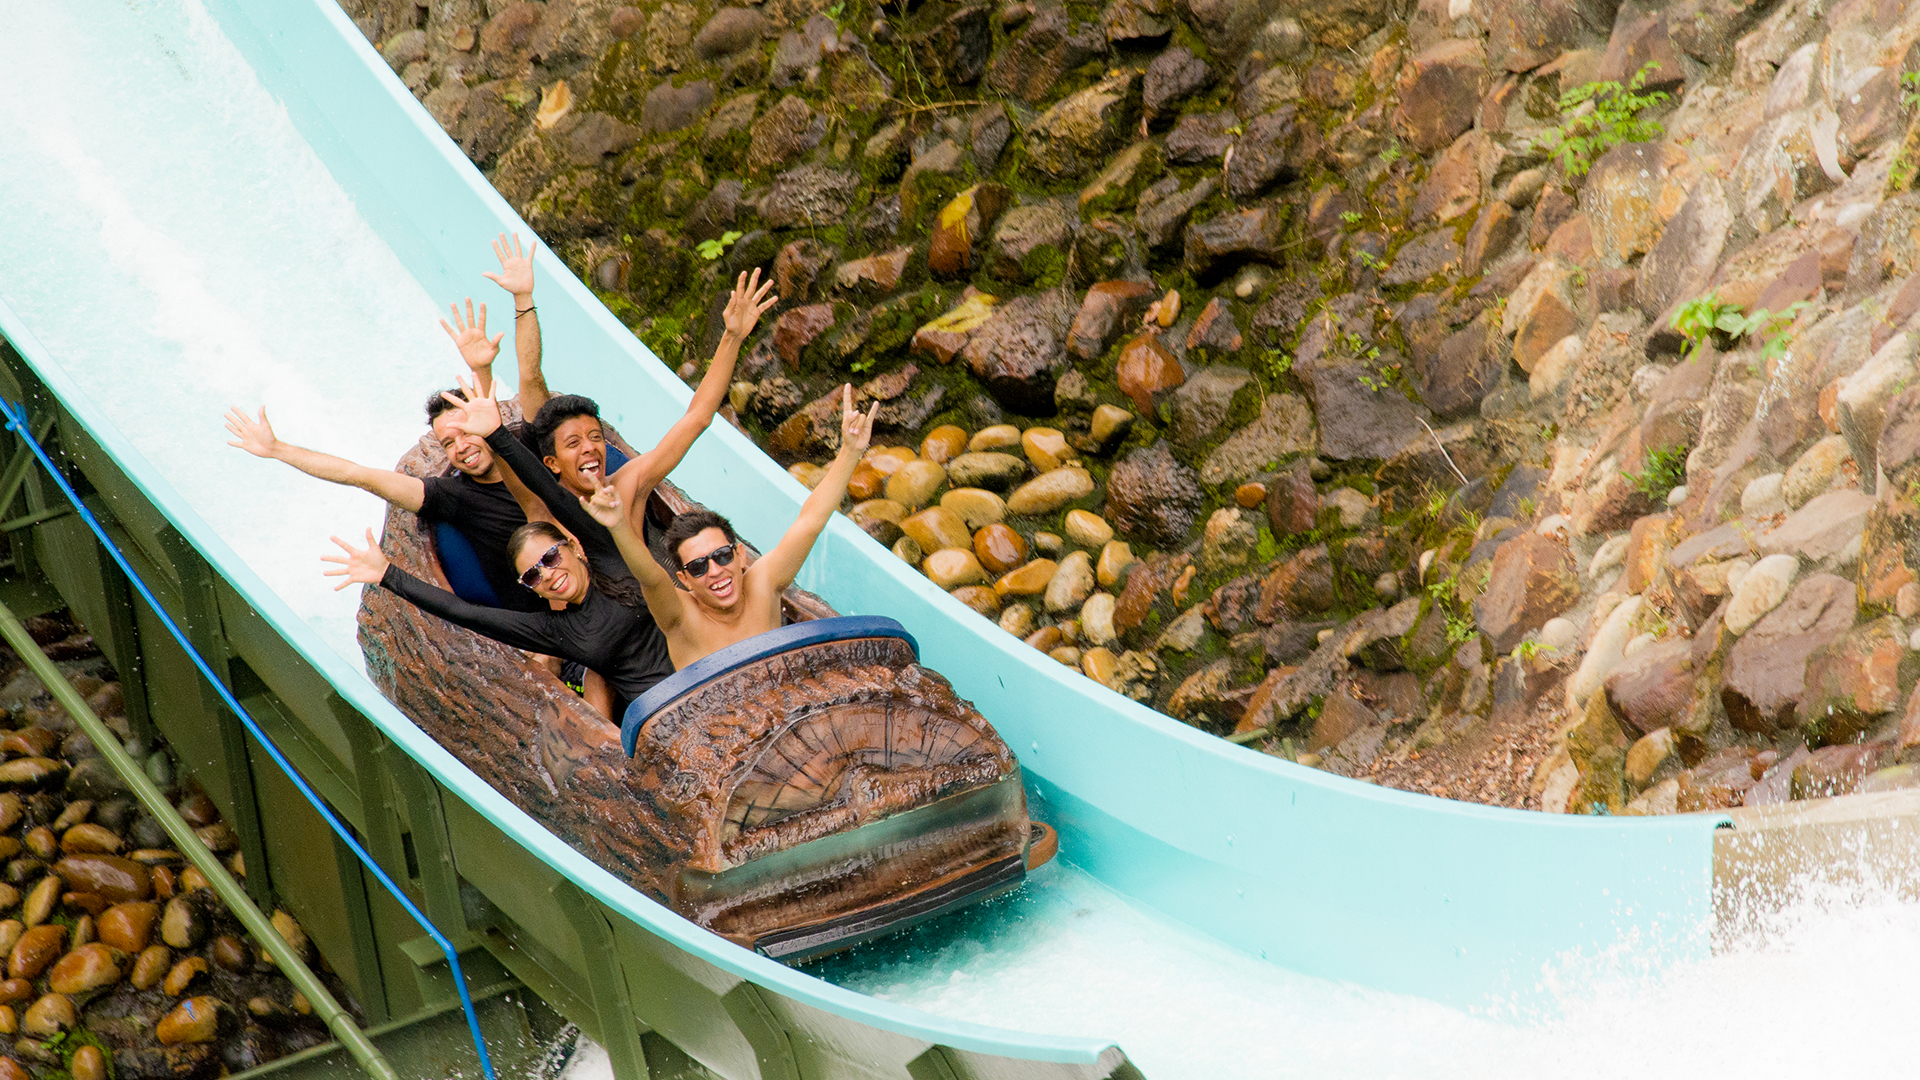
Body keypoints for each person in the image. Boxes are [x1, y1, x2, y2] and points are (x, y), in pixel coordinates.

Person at [226, 233, 553, 610]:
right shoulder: (454, 496)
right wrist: (278, 449)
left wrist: (520, 302)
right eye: (448, 443)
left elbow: (530, 377)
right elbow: (358, 474)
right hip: (540, 616)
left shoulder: (523, 448)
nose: (460, 446)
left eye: (464, 433)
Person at [579, 384, 876, 671]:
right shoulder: (681, 617)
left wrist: (849, 452)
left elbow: (809, 524)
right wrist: (619, 526)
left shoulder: (764, 583)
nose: (715, 571)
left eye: (721, 555)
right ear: (685, 580)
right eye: (698, 567)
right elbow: (651, 578)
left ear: (740, 556)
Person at [322, 518, 673, 720]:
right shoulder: (555, 630)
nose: (548, 574)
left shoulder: (614, 564)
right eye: (533, 576)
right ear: (532, 590)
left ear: (572, 546)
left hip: (705, 667)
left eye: (550, 558)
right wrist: (388, 575)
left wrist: (497, 435)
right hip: (657, 713)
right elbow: (467, 614)